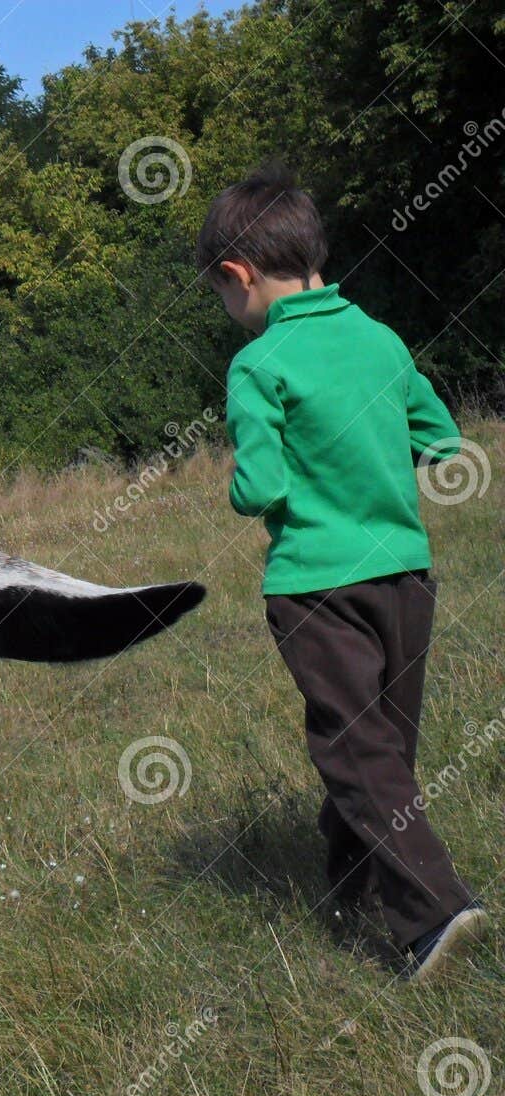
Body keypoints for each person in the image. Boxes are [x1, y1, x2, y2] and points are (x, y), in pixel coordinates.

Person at [197, 167, 487, 981]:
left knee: (353, 747)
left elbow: (262, 488)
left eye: (223, 298)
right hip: (405, 577)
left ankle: (435, 916)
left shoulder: (260, 365)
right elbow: (439, 437)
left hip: (315, 587)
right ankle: (348, 891)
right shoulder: (380, 339)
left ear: (238, 277)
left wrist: (245, 483)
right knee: (381, 744)